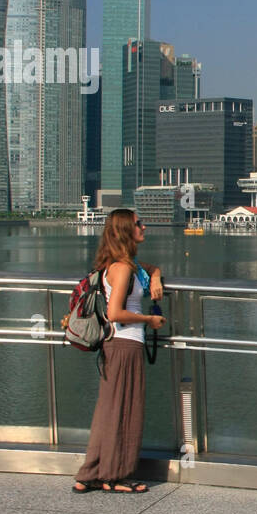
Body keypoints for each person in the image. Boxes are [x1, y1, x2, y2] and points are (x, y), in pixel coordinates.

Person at [72, 209, 166, 494]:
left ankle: (91, 473)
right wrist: (149, 320)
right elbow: (115, 313)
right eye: (138, 224)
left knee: (109, 409)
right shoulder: (123, 269)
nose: (144, 227)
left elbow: (149, 269)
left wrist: (157, 277)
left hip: (118, 344)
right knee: (126, 410)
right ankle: (116, 476)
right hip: (125, 343)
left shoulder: (124, 264)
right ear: (126, 231)